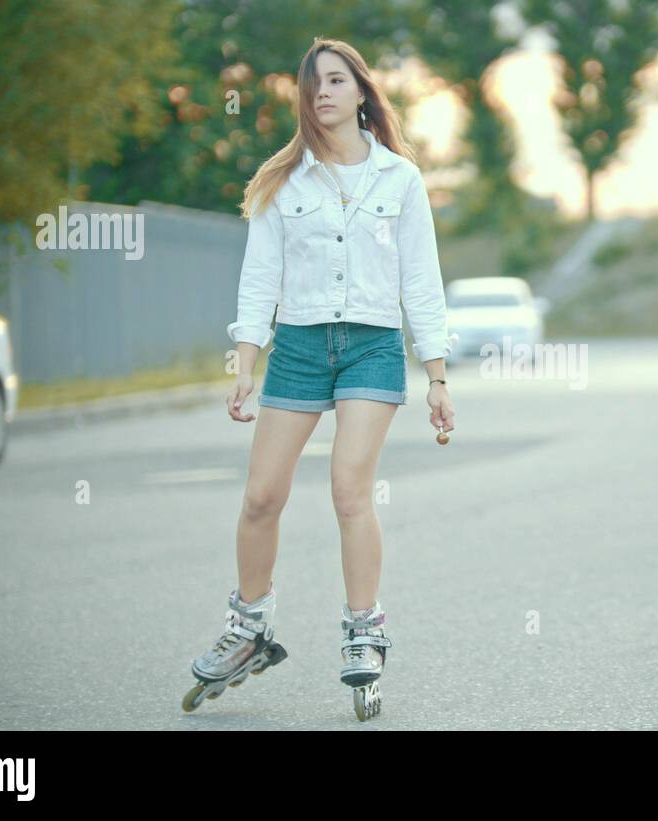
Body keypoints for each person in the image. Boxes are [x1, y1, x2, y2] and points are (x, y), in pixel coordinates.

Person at [183, 37, 456, 720]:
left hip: (371, 346)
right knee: (261, 495)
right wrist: (245, 361)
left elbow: (422, 281)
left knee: (347, 489)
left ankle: (364, 630)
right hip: (300, 347)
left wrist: (439, 376)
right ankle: (249, 627)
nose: (324, 92)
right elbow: (259, 278)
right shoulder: (284, 181)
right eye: (314, 84)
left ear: (362, 91)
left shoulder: (400, 180)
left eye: (337, 80)